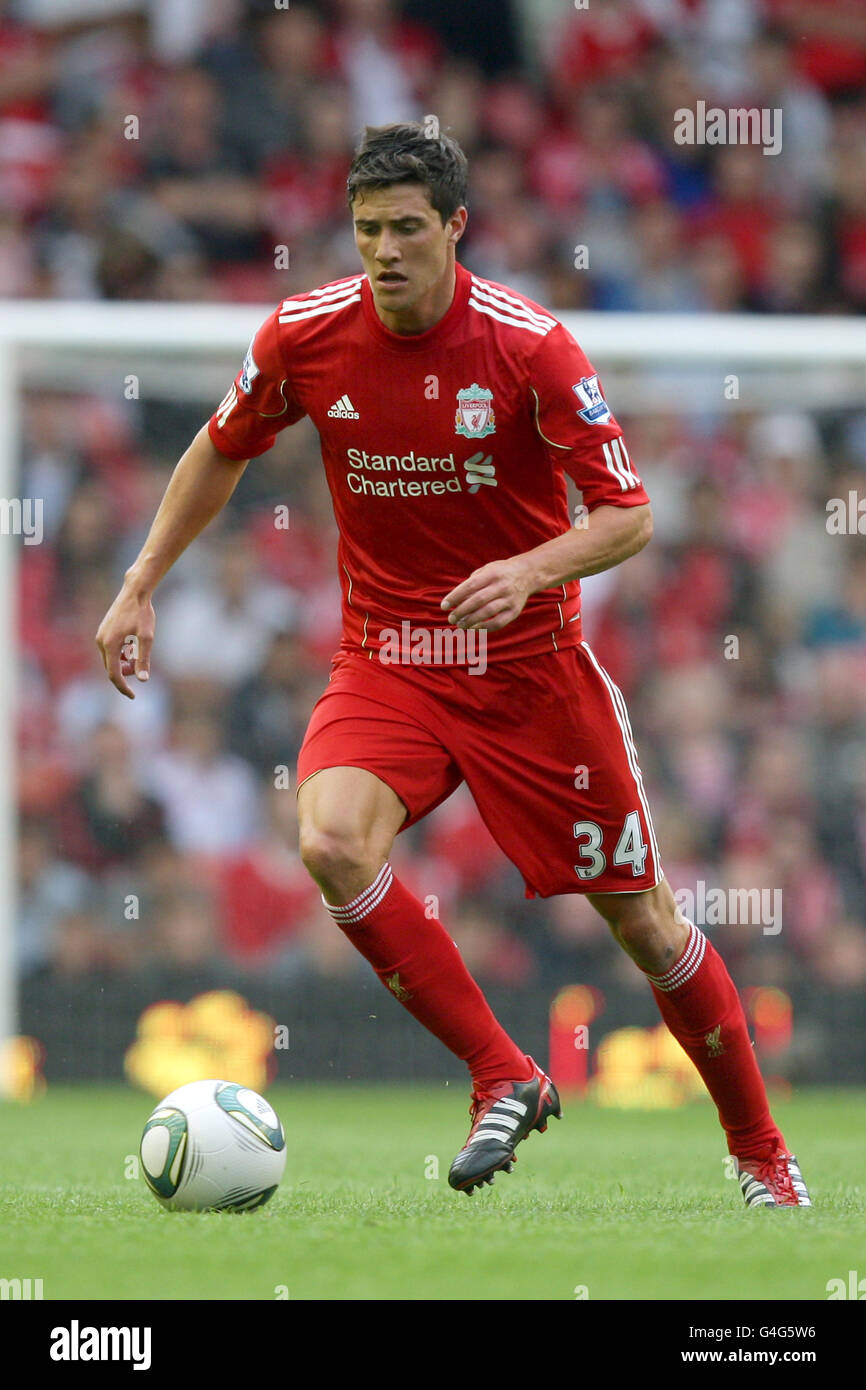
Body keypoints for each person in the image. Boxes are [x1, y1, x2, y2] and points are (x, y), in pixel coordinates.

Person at [96, 122, 809, 1206]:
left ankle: (761, 1155)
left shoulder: (530, 347)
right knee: (331, 842)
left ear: (455, 227)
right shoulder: (303, 335)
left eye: (406, 228)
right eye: (366, 229)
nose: (384, 250)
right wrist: (140, 579)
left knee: (644, 923)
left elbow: (627, 514)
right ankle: (503, 1071)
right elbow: (220, 447)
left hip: (531, 676)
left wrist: (530, 568)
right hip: (389, 662)